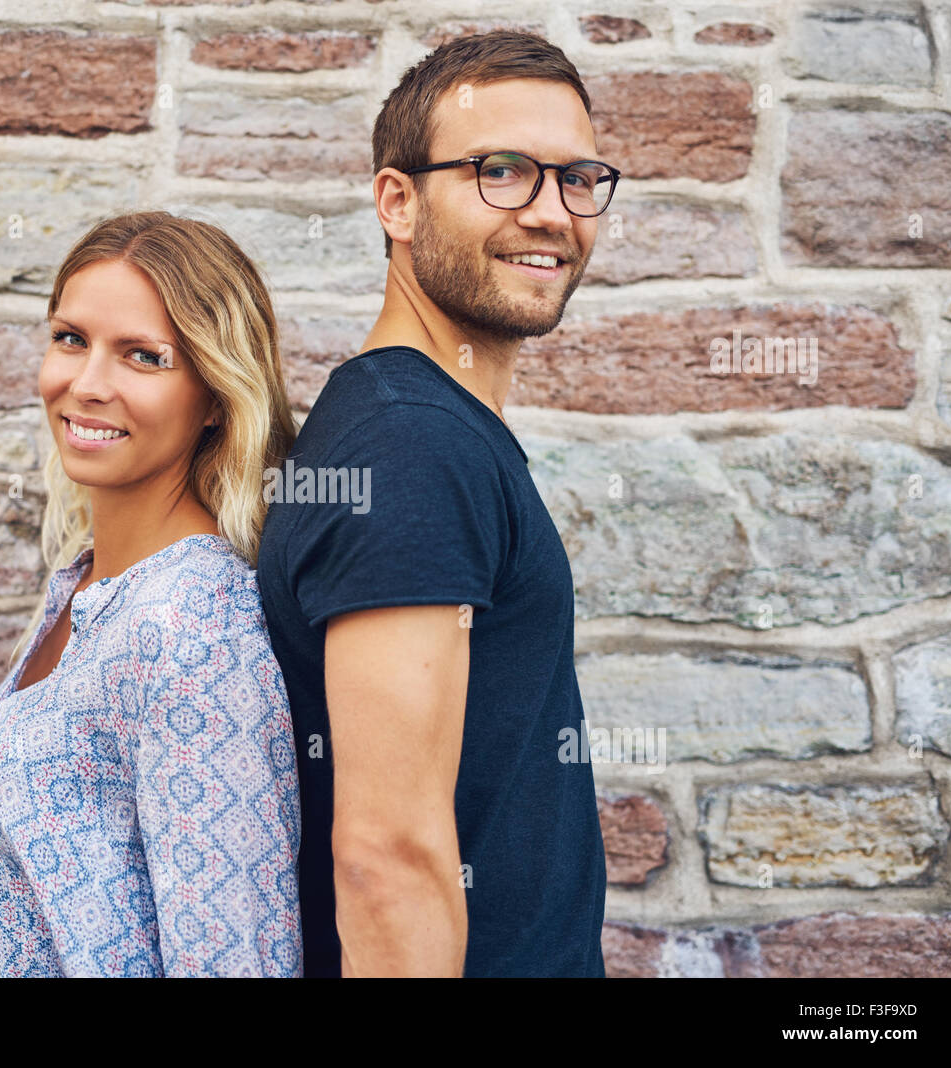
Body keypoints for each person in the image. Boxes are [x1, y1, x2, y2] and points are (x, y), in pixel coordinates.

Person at [255, 30, 616, 977]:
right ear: (397, 201)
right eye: (502, 172)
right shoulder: (414, 448)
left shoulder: (416, 426)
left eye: (577, 179)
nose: (551, 212)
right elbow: (389, 861)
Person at [0, 211, 303, 977]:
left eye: (143, 357)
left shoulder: (195, 626)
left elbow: (232, 960)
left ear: (215, 394)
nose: (86, 384)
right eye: (71, 338)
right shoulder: (82, 583)